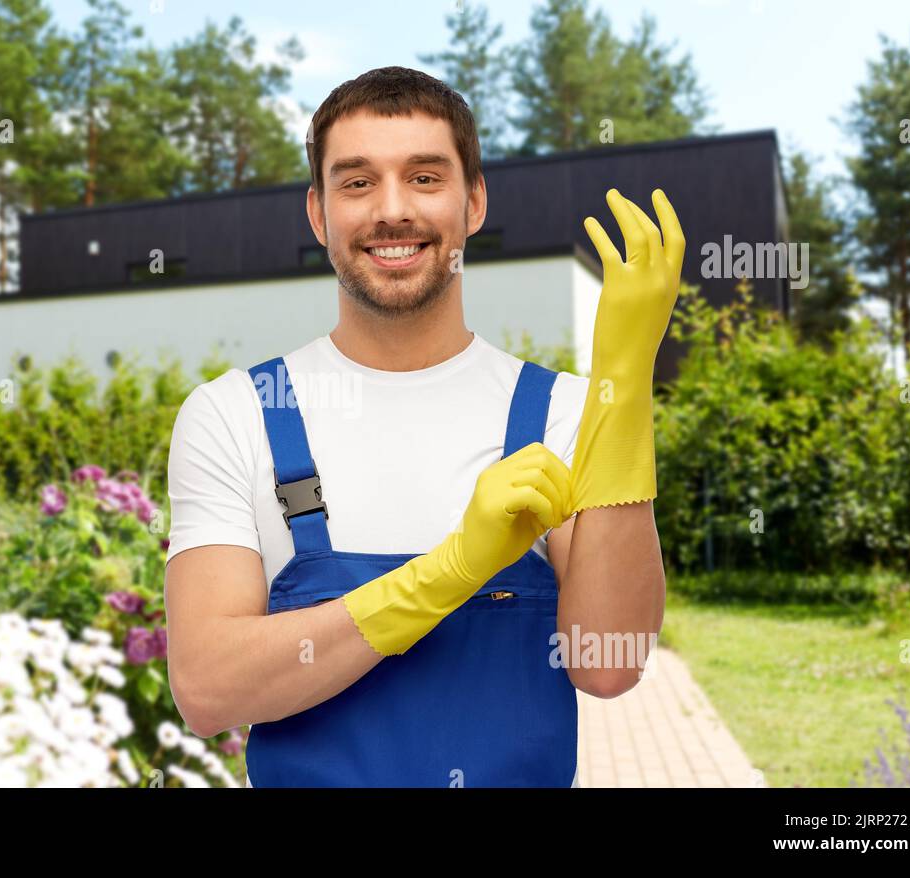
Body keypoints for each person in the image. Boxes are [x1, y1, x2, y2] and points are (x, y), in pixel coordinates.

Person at [163, 66, 683, 787]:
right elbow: (208, 688)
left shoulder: (560, 413)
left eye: (426, 177)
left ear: (473, 202)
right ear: (319, 213)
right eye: (357, 182)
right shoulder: (235, 415)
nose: (392, 210)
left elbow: (608, 663)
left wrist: (622, 390)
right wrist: (451, 572)